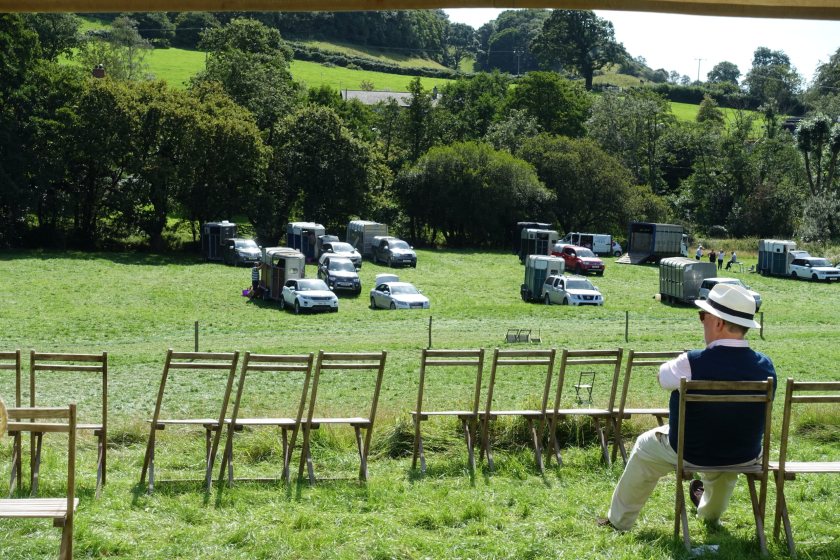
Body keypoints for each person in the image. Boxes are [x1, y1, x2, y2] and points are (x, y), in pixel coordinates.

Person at [599, 283, 776, 532]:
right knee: (724, 468)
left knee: (643, 447)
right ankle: (709, 517)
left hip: (691, 452)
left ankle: (618, 521)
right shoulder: (766, 367)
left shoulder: (691, 363)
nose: (701, 320)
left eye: (702, 315)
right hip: (745, 453)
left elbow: (662, 378)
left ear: (717, 322)